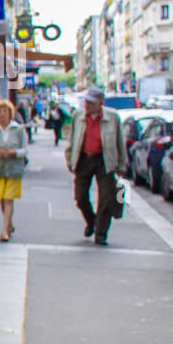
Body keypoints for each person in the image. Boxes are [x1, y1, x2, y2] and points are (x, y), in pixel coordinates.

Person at [65, 85, 127, 246]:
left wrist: (121, 164)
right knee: (80, 197)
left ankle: (101, 233)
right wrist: (70, 159)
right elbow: (72, 140)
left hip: (104, 159)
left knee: (106, 198)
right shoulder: (78, 116)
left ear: (101, 103)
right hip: (84, 159)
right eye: (86, 102)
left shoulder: (112, 117)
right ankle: (91, 221)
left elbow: (120, 142)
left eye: (92, 103)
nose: (88, 105)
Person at [0, 99, 27, 242]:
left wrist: (13, 152)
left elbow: (24, 150)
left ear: (10, 113)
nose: (3, 114)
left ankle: (5, 230)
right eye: (0, 112)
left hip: (13, 169)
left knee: (9, 198)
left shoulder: (18, 130)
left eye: (5, 111)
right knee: (1, 199)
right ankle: (10, 224)